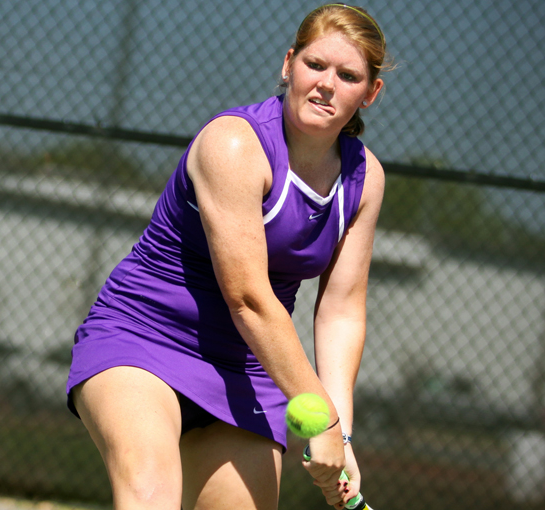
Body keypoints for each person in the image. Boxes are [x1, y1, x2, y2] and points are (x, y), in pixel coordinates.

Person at [66, 4, 389, 509]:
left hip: (246, 368)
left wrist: (341, 436)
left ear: (370, 93)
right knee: (151, 494)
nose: (326, 84)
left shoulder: (364, 179)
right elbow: (249, 299)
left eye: (348, 76)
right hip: (145, 337)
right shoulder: (234, 144)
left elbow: (341, 309)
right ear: (289, 65)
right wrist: (319, 416)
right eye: (315, 65)